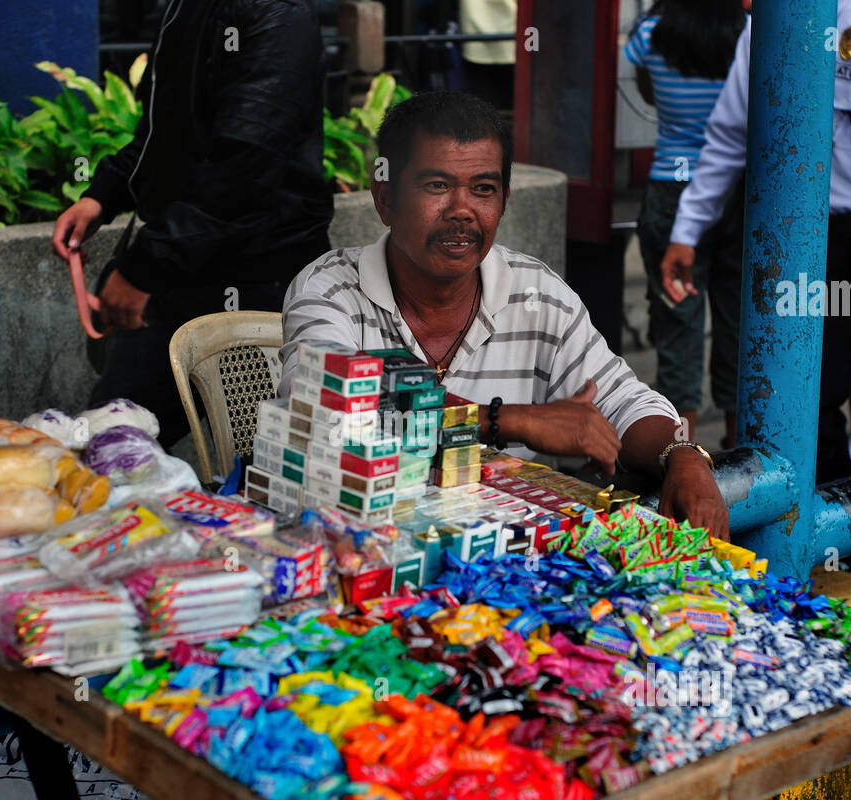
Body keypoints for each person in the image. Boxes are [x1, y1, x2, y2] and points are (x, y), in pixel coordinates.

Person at [279, 91, 729, 539]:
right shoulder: (329, 289)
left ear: (504, 201)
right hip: (360, 546)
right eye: (436, 186)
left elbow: (625, 401)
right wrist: (507, 420)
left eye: (483, 189)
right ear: (385, 199)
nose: (462, 211)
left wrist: (683, 455)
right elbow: (326, 409)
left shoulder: (538, 295)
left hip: (505, 561)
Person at [660, 0, 851, 488]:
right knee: (770, 390)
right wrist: (687, 231)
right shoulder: (766, 24)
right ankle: (791, 517)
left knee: (819, 396)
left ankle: (831, 524)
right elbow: (729, 137)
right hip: (776, 242)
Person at [52, 0, 334, 449]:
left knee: (261, 464)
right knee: (107, 447)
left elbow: (242, 169)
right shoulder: (186, 8)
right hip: (183, 273)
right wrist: (102, 195)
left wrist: (145, 268)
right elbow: (164, 136)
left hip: (256, 285)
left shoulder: (278, 15)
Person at [626, 0, 747, 449]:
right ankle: (742, 450)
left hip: (672, 187)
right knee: (741, 324)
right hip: (739, 191)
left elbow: (648, 94)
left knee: (678, 328)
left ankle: (683, 457)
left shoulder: (649, 35)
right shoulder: (751, 33)